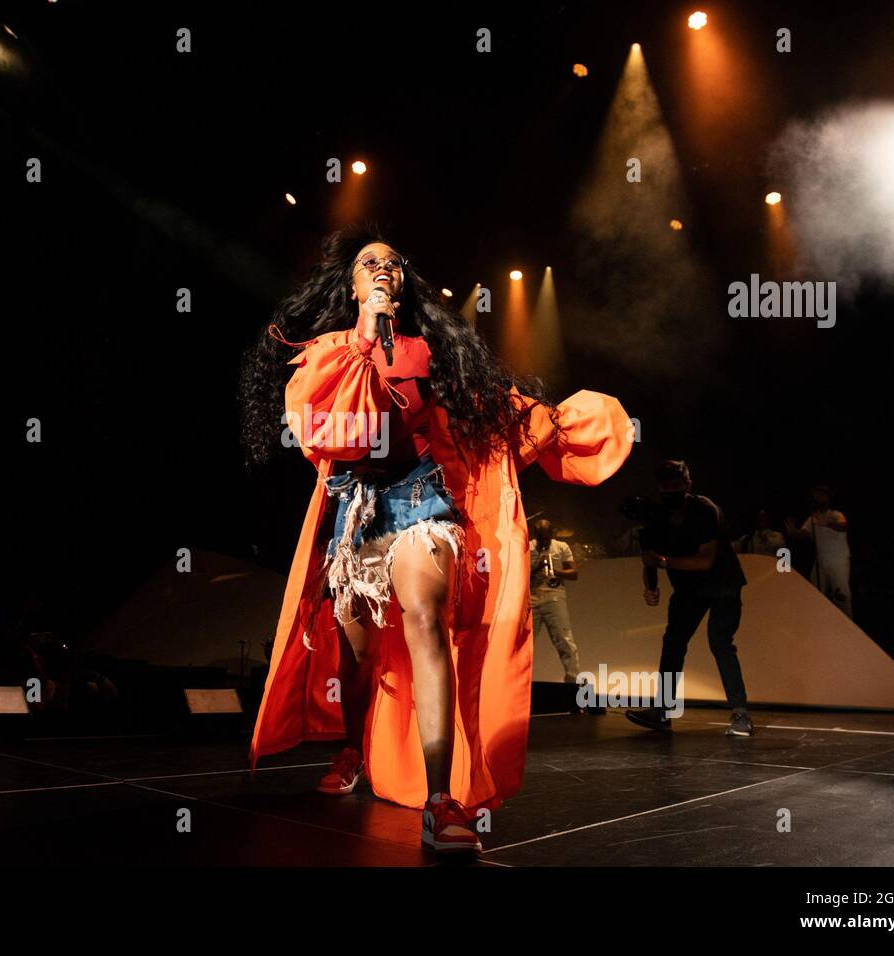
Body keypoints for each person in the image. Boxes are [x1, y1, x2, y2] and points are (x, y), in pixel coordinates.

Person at [239, 228, 634, 854]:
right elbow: (328, 430)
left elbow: (499, 411)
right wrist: (367, 333)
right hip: (354, 509)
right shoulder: (329, 350)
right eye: (370, 264)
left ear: (405, 282)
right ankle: (352, 747)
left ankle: (440, 798)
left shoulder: (434, 352)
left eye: (393, 265)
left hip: (420, 497)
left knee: (427, 618)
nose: (383, 270)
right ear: (351, 284)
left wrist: (561, 424)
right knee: (358, 658)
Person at [626, 460, 753, 737]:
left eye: (675, 485)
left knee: (720, 642)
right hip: (688, 590)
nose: (669, 491)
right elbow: (648, 556)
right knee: (673, 643)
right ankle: (662, 711)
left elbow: (704, 561)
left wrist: (662, 563)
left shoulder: (705, 510)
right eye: (665, 486)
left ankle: (740, 714)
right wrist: (651, 586)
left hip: (722, 584)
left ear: (687, 484)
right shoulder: (656, 515)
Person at [785, 484, 852, 618]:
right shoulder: (812, 518)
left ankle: (847, 622)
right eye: (815, 495)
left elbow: (844, 526)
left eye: (820, 495)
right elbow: (803, 533)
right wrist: (792, 532)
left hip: (837, 560)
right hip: (821, 562)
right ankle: (820, 619)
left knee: (841, 594)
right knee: (815, 591)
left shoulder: (835, 514)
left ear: (827, 498)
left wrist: (827, 523)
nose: (817, 498)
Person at [528, 518, 581, 682]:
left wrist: (554, 571)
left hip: (554, 595)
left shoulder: (561, 546)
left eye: (547, 537)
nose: (544, 541)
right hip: (531, 596)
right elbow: (519, 574)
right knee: (527, 641)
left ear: (551, 533)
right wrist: (538, 567)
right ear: (536, 534)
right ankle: (521, 681)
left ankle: (573, 678)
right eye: (541, 537)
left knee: (564, 638)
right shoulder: (527, 546)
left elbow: (574, 573)